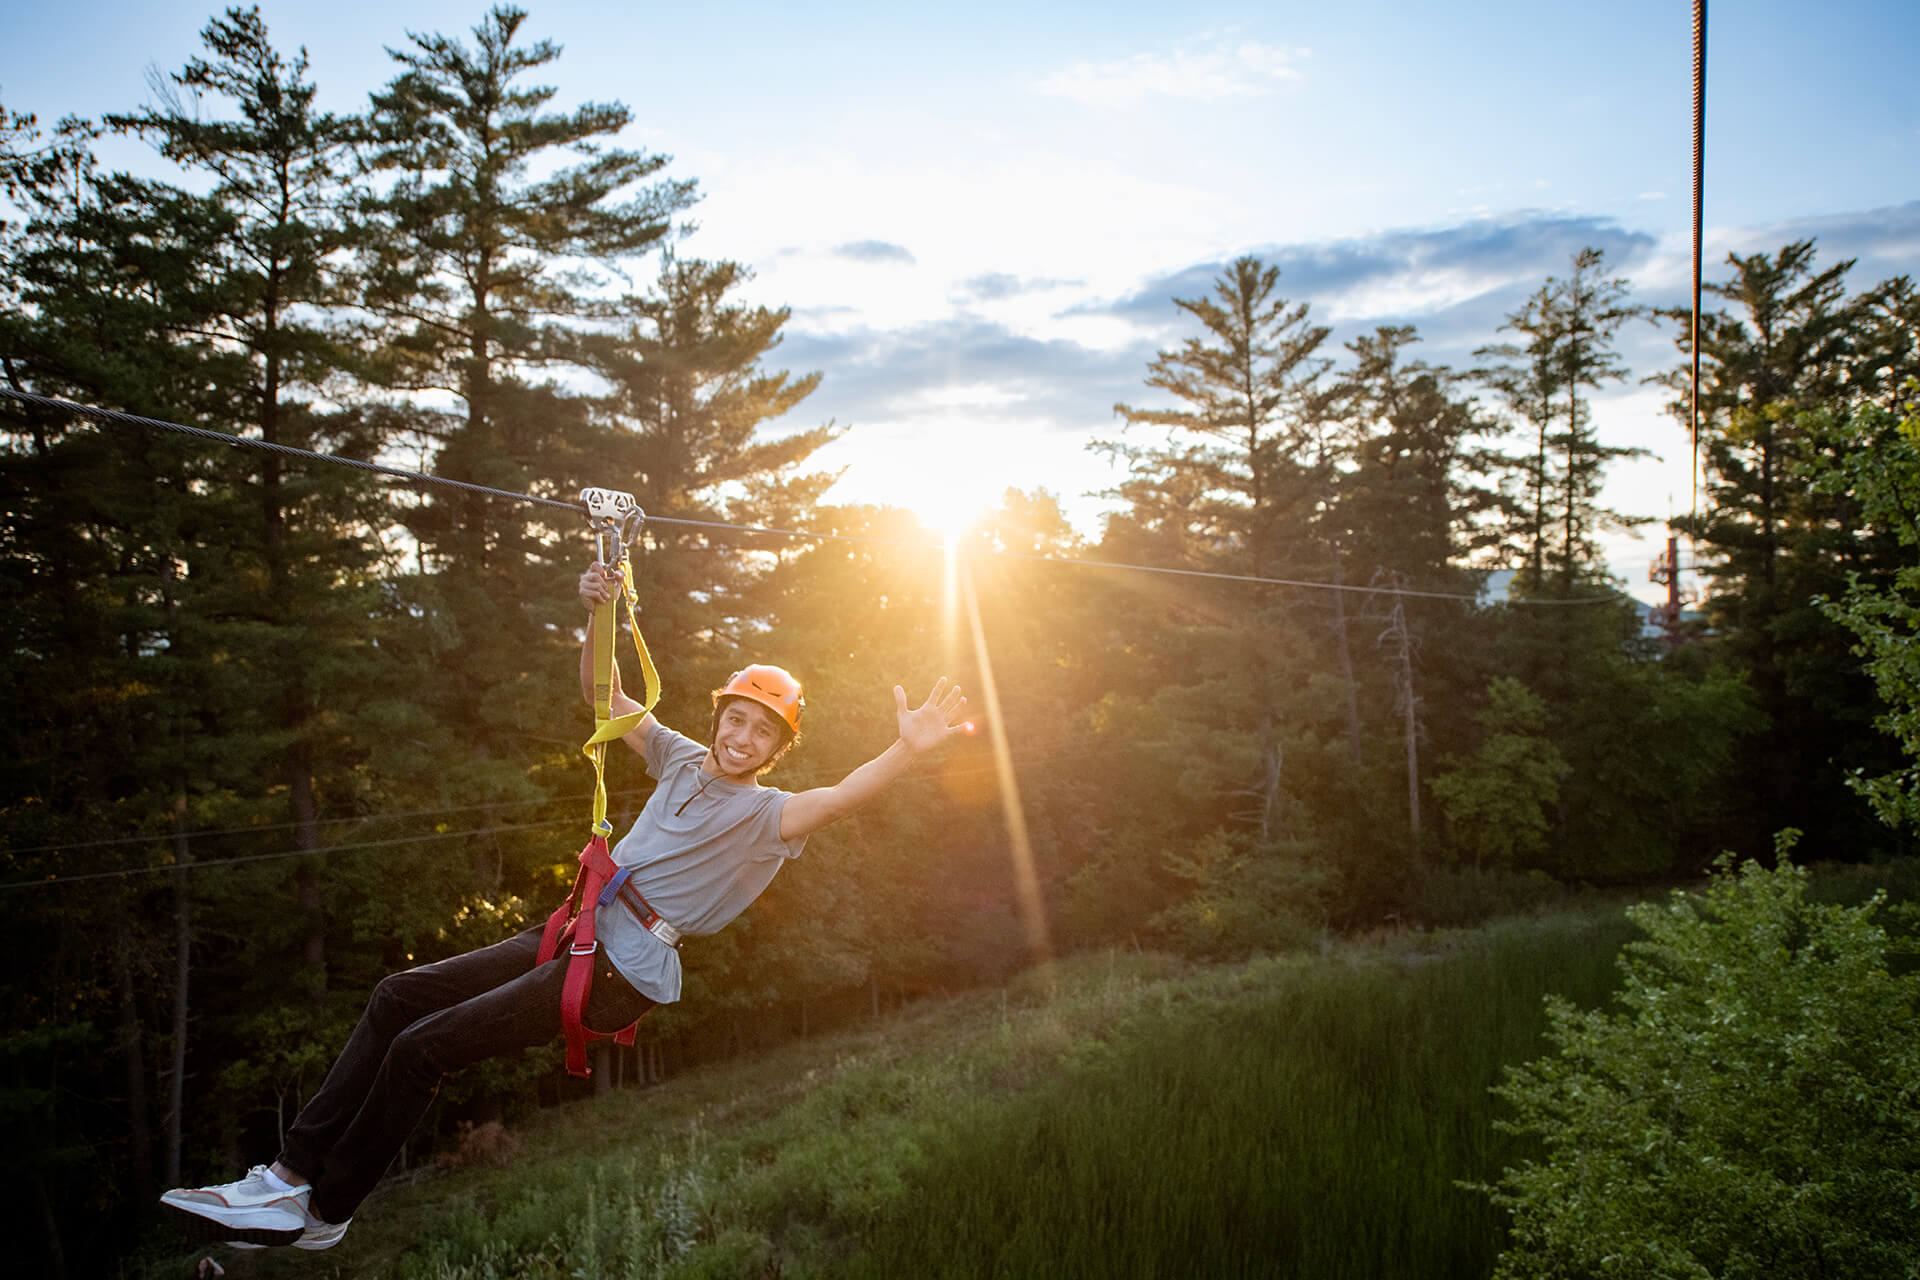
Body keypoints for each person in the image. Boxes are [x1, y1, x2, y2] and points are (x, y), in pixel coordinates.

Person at [160, 561, 970, 1250]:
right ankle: (286, 1176)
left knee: (421, 1050)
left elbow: (839, 798)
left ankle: (325, 1211)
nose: (741, 738)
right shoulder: (681, 758)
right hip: (582, 929)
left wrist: (905, 749)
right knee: (396, 996)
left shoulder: (767, 816)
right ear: (719, 717)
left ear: (777, 749)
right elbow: (602, 695)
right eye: (736, 719)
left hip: (623, 967)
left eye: (762, 732)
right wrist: (598, 612)